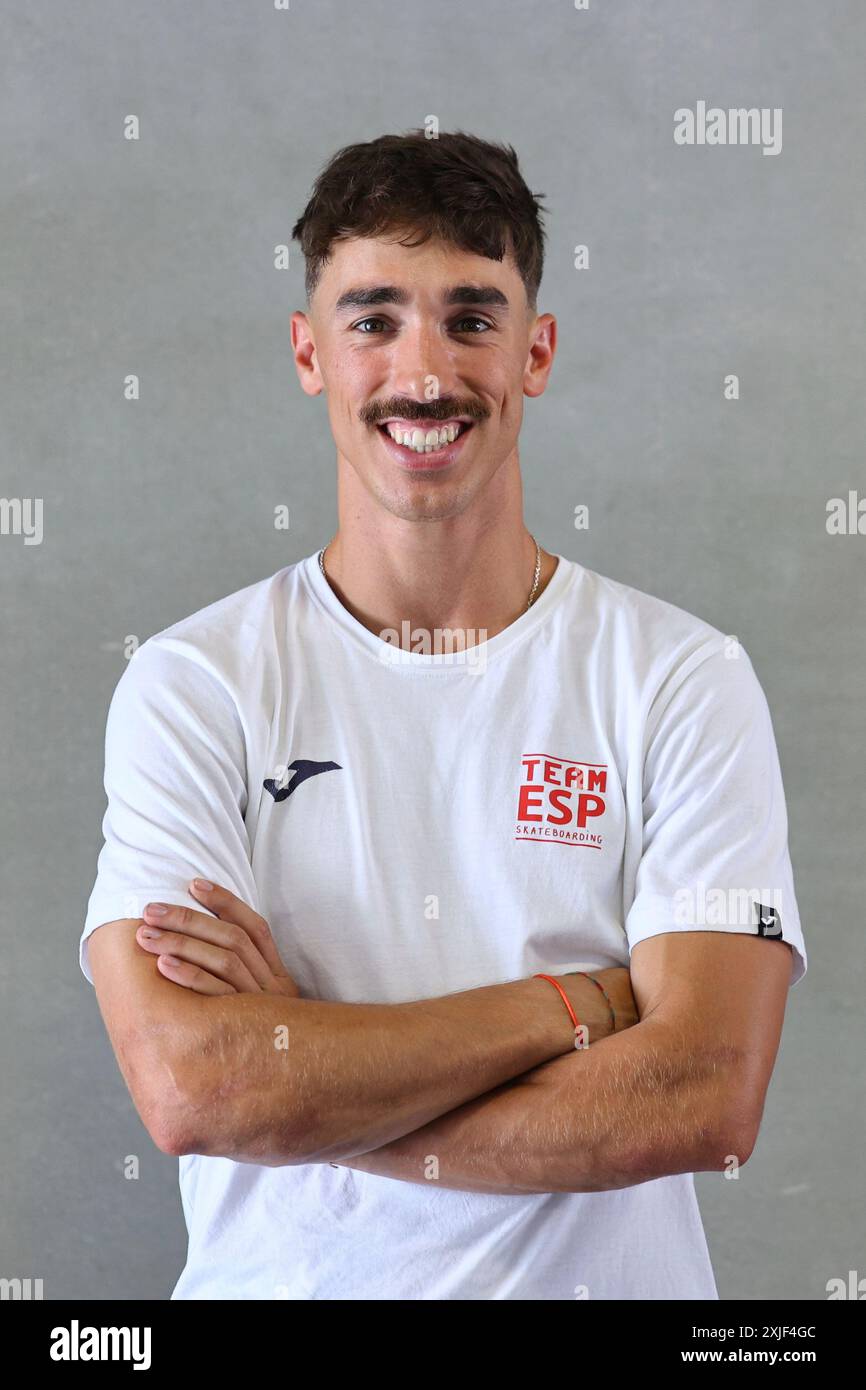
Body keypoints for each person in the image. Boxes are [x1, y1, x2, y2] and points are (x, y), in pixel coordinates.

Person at [80, 129, 806, 1301]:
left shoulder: (679, 677)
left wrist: (307, 1082)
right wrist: (574, 1005)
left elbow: (700, 1097)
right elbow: (195, 1091)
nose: (424, 372)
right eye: (373, 319)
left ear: (536, 350)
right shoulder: (194, 684)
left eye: (471, 318)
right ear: (309, 353)